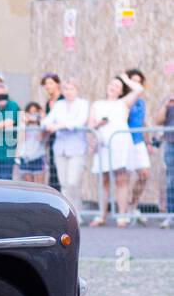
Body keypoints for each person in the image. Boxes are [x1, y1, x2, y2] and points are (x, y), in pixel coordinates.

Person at [88, 73, 144, 227]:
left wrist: (125, 79)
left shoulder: (124, 103)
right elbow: (90, 125)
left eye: (117, 86)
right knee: (104, 180)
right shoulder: (97, 104)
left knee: (121, 179)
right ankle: (102, 215)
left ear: (121, 91)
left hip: (120, 143)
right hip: (103, 144)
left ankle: (121, 215)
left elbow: (139, 89)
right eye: (111, 84)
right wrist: (98, 124)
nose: (113, 87)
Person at [43, 79, 90, 212]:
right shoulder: (59, 105)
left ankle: (76, 211)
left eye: (72, 89)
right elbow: (46, 122)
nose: (69, 92)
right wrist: (49, 125)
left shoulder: (83, 104)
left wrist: (58, 126)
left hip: (77, 148)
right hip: (60, 149)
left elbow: (79, 122)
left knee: (73, 182)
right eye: (67, 89)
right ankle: (67, 213)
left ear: (77, 90)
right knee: (63, 183)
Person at [125, 68, 152, 217]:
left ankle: (133, 204)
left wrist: (148, 142)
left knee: (144, 174)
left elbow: (143, 122)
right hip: (125, 141)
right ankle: (122, 210)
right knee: (125, 176)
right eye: (133, 81)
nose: (136, 84)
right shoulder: (124, 99)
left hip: (139, 142)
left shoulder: (141, 102)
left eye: (139, 82)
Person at [14, 102, 49, 184]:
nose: (33, 115)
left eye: (35, 112)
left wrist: (42, 118)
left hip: (38, 157)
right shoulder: (24, 127)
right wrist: (24, 121)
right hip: (26, 157)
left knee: (40, 185)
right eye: (30, 113)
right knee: (29, 185)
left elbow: (42, 138)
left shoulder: (42, 127)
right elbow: (20, 138)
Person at [158, 94, 174, 229]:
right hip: (171, 144)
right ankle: (170, 215)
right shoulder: (169, 101)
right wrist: (166, 104)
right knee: (171, 181)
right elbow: (159, 120)